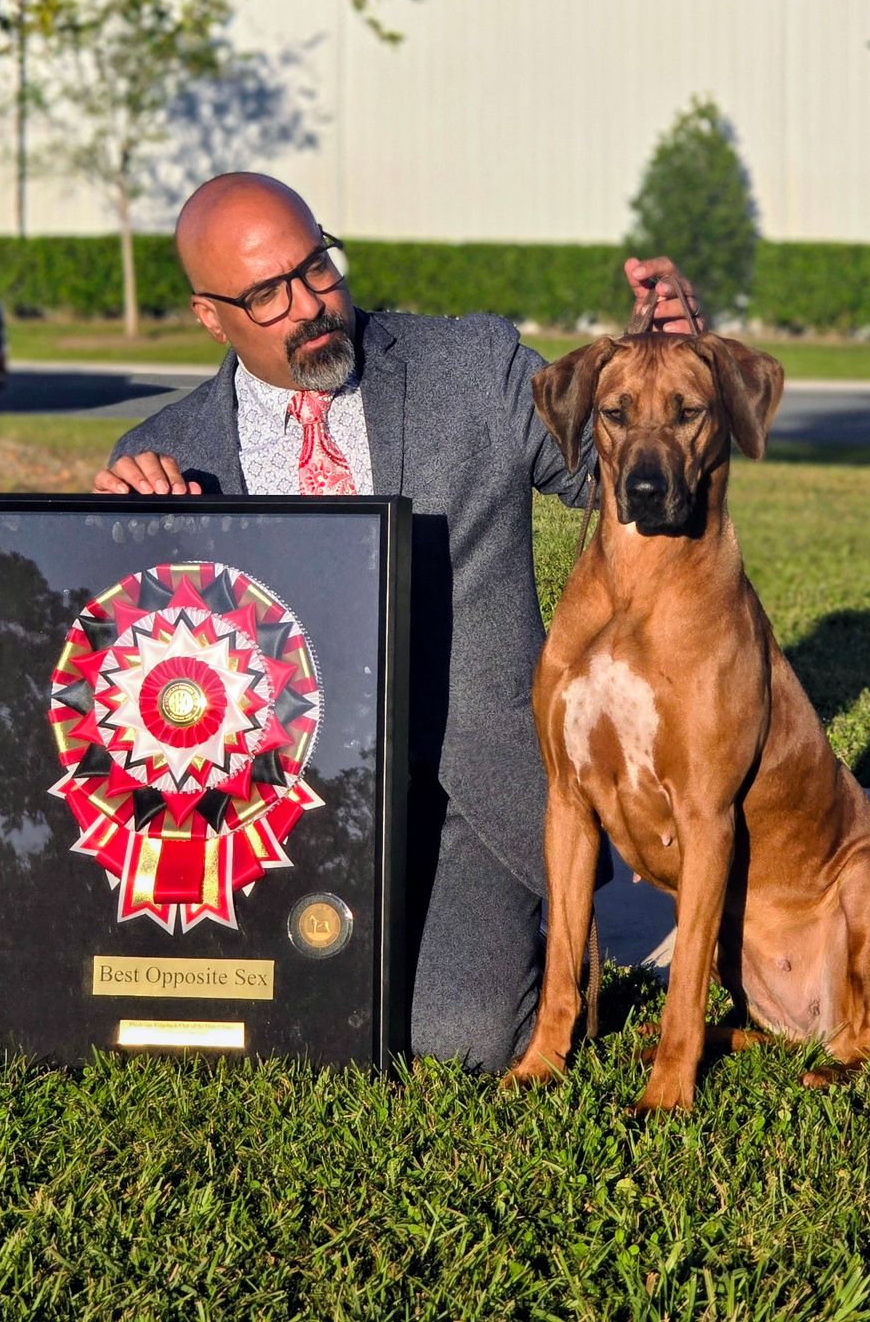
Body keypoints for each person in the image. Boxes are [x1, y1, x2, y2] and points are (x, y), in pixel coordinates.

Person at [93, 172, 703, 1071]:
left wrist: (673, 375)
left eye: (317, 268)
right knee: (235, 1019)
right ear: (210, 316)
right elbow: (129, 685)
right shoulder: (171, 455)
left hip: (469, 797)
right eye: (268, 294)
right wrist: (118, 540)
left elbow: (620, 490)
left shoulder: (475, 368)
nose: (310, 305)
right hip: (269, 812)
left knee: (454, 1042)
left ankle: (539, 929)